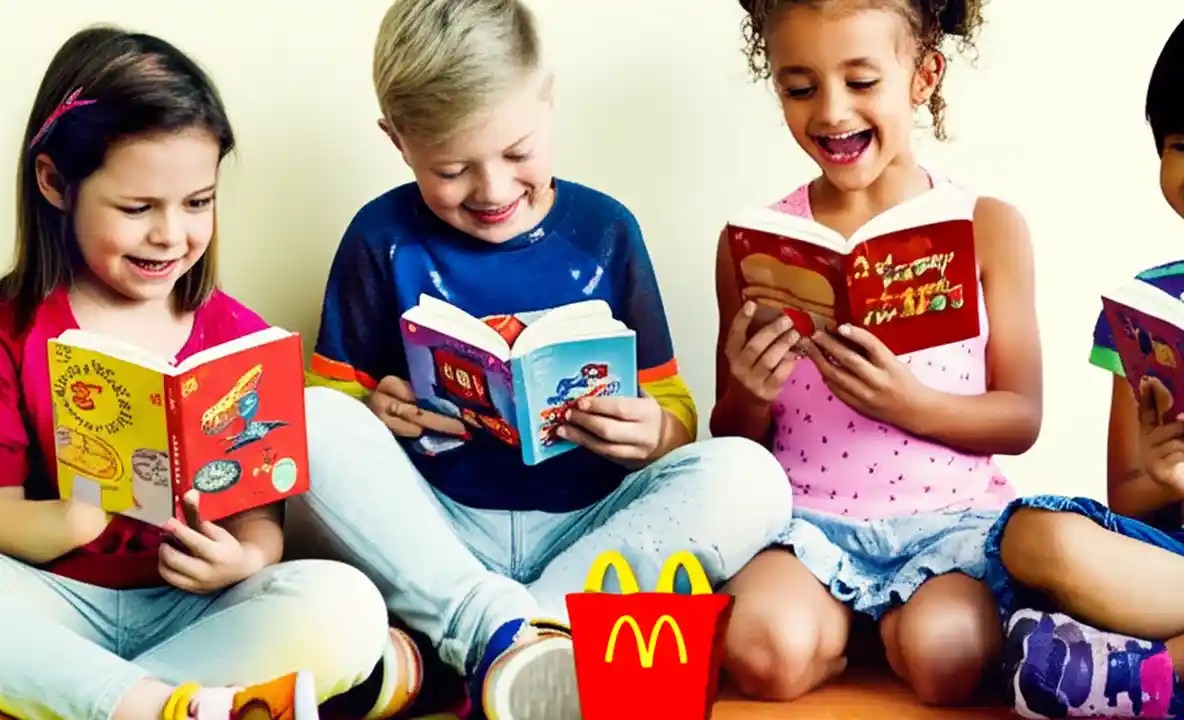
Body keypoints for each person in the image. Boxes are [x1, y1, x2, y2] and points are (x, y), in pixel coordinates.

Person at [290, 0, 793, 717]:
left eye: (518, 152)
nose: (493, 190)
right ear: (397, 141)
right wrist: (372, 409)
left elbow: (675, 411)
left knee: (752, 474)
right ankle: (512, 635)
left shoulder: (605, 231)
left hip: (586, 531)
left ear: (549, 100)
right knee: (305, 421)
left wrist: (653, 434)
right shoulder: (382, 237)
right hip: (442, 534)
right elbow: (327, 412)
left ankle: (508, 639)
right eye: (453, 169)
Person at [0, 27, 388, 720]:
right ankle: (159, 707)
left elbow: (261, 513)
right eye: (137, 208)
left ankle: (96, 700)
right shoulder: (13, 327)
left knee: (346, 604)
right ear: (56, 182)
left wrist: (245, 563)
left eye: (198, 203)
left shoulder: (237, 338)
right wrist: (69, 520)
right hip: (55, 599)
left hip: (195, 613)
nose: (171, 235)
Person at [712, 0, 1042, 706]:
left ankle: (886, 625)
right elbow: (733, 439)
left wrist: (910, 404)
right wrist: (750, 391)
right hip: (807, 524)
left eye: (862, 82)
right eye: (800, 87)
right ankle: (842, 629)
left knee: (947, 659)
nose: (832, 113)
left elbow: (1021, 418)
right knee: (764, 656)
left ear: (923, 76)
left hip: (948, 524)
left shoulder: (987, 226)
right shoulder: (756, 243)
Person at [990, 1, 1184, 717]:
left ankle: (1150, 674)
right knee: (1033, 536)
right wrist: (1168, 479)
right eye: (1183, 144)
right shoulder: (1153, 309)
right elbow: (1132, 502)